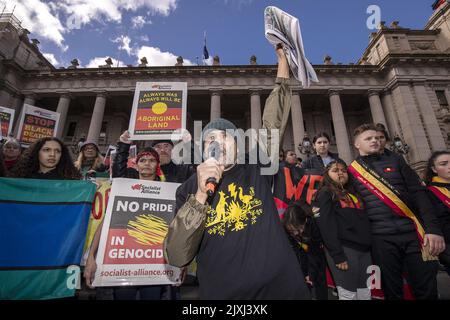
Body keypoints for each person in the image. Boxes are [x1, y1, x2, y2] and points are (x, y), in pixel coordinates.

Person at [163, 45, 311, 300]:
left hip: (281, 289)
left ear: (238, 144)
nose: (218, 143)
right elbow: (176, 254)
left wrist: (283, 66)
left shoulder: (256, 165)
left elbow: (273, 121)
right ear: (202, 149)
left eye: (225, 137)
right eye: (210, 139)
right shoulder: (187, 189)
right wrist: (199, 196)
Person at [347, 123, 445, 300]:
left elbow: (419, 195)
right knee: (392, 291)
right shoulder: (351, 171)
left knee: (426, 288)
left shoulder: (398, 160)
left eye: (377, 138)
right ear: (357, 144)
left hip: (414, 235)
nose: (375, 141)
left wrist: (433, 229)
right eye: (368, 138)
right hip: (380, 239)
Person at [84, 130, 171, 300]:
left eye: (152, 160)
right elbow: (106, 223)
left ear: (157, 165)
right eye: (143, 160)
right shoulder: (123, 186)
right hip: (122, 265)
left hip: (155, 265)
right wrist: (91, 257)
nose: (147, 164)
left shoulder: (167, 191)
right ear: (136, 165)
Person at [313, 159, 372, 300]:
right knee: (348, 294)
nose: (340, 173)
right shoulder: (325, 193)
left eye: (343, 170)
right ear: (327, 174)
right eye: (335, 170)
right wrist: (337, 255)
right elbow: (326, 226)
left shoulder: (354, 193)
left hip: (365, 250)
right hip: (344, 250)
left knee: (365, 293)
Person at [282, 202, 328, 300]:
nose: (295, 233)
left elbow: (315, 253)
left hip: (316, 252)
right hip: (301, 250)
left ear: (305, 221)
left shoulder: (314, 223)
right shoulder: (287, 226)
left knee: (319, 280)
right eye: (291, 231)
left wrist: (310, 274)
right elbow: (295, 251)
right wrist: (303, 273)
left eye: (298, 229)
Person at [425, 151, 450, 275]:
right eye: (444, 164)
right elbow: (439, 222)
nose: (449, 166)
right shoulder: (430, 192)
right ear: (434, 169)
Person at [11, 137, 81, 180]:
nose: (52, 154)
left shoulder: (70, 181)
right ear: (36, 152)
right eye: (47, 150)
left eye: (57, 151)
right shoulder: (21, 178)